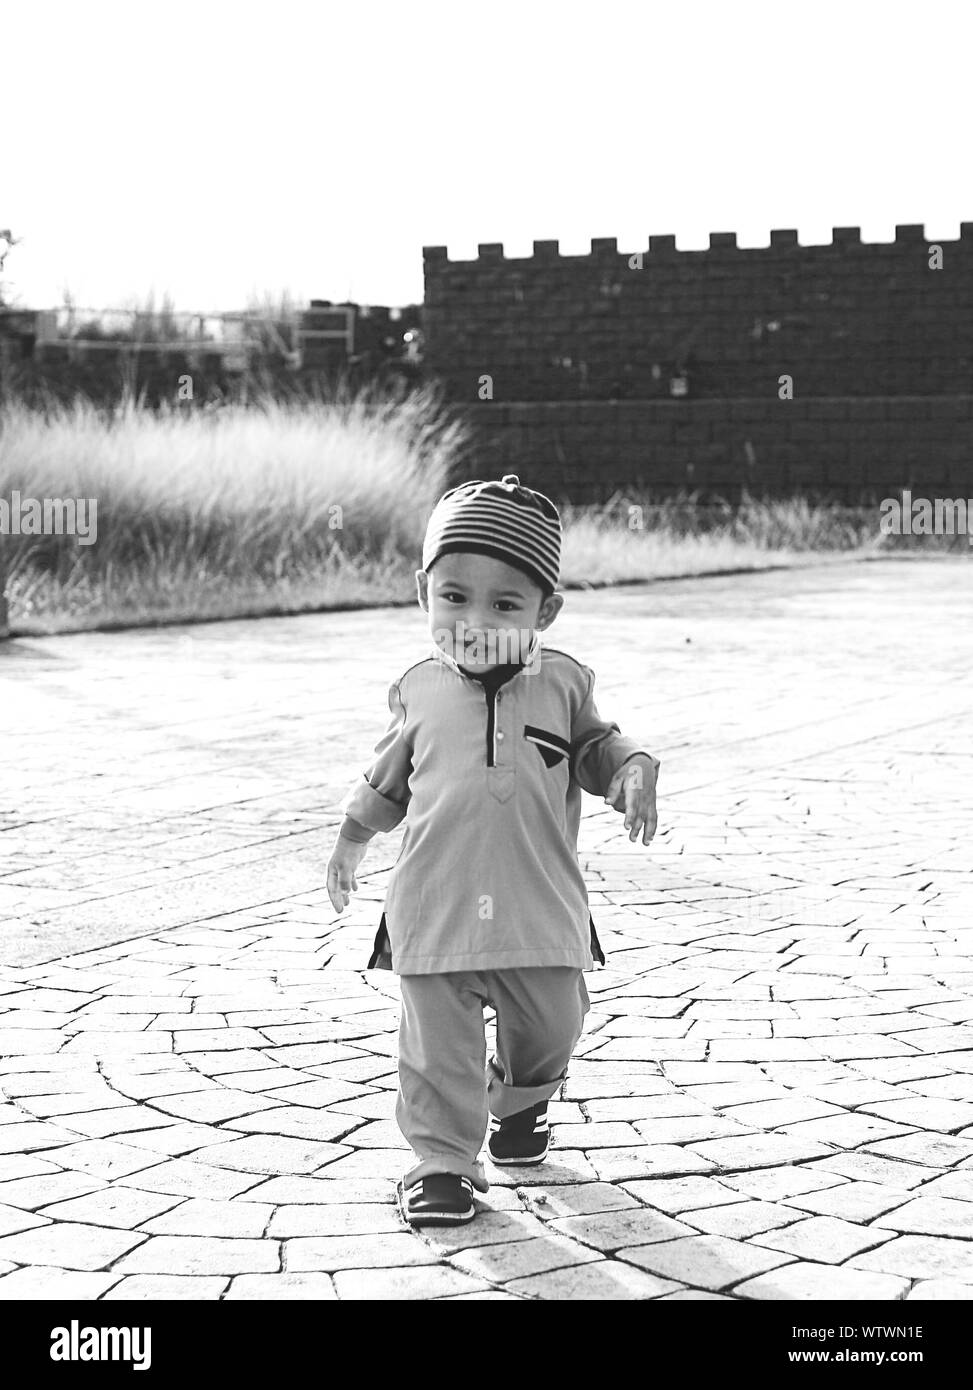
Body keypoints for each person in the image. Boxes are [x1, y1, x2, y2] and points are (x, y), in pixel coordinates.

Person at [326, 473, 660, 1225]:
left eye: (504, 604)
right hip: (433, 912)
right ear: (422, 593)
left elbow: (598, 748)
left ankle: (519, 1099)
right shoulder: (417, 691)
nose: (474, 620)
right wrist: (349, 845)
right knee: (435, 1049)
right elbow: (383, 783)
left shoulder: (563, 684)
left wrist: (630, 767)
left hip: (537, 912)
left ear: (546, 610)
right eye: (454, 597)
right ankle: (441, 1162)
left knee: (552, 1025)